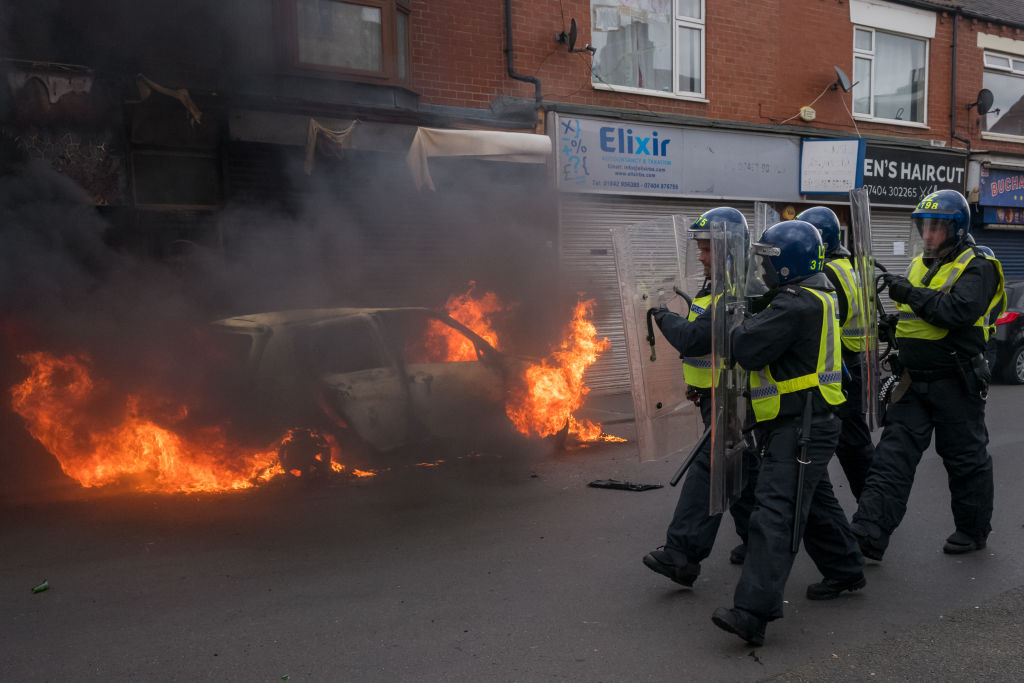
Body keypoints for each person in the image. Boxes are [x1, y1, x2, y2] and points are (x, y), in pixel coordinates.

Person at [711, 219, 864, 647]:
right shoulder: (815, 294)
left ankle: (752, 612)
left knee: (774, 514)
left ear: (787, 264)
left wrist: (737, 319)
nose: (761, 270)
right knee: (813, 504)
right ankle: (846, 568)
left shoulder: (796, 305)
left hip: (802, 426)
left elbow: (745, 347)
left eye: (767, 262)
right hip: (805, 422)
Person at [851, 190, 1005, 559]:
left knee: (965, 460)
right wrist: (892, 327)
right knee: (891, 458)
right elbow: (915, 318)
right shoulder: (920, 264)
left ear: (956, 230)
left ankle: (972, 531)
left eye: (936, 227)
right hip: (913, 380)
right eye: (924, 227)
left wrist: (909, 294)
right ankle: (868, 532)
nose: (928, 234)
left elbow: (957, 311)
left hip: (957, 381)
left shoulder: (978, 264)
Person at [642, 207, 758, 588]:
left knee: (711, 469)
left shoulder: (736, 290)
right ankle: (759, 542)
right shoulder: (717, 286)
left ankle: (682, 555)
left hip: (733, 396)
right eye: (700, 248)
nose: (702, 255)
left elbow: (695, 338)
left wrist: (663, 316)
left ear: (729, 250)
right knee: (742, 471)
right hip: (717, 395)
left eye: (708, 249)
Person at [797, 206, 874, 499]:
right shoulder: (847, 265)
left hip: (840, 367)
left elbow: (821, 321)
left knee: (850, 446)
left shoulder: (827, 271)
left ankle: (873, 507)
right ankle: (870, 504)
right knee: (853, 443)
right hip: (852, 362)